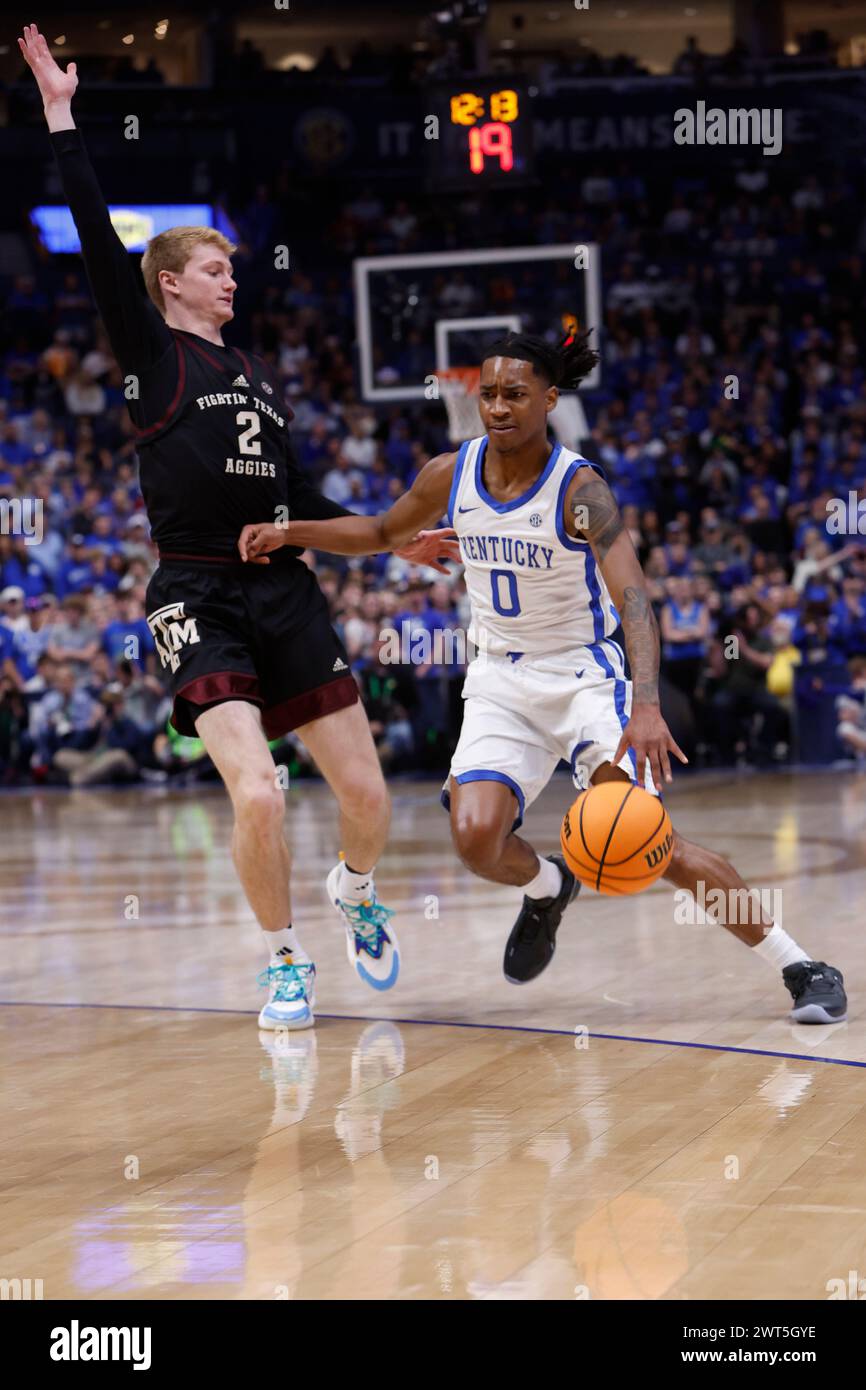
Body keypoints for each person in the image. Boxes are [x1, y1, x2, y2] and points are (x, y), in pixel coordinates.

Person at [20, 23, 457, 1031]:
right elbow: (95, 233)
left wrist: (394, 537)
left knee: (368, 796)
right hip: (196, 592)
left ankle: (353, 888)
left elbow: (302, 506)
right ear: (171, 280)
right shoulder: (148, 354)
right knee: (257, 793)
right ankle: (282, 960)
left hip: (283, 588)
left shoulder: (257, 382)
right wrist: (61, 117)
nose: (231, 277)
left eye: (229, 266)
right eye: (214, 266)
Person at [239, 332, 847, 1025]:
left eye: (514, 394)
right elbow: (380, 530)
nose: (497, 406)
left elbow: (636, 598)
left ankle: (801, 965)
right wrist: (291, 533)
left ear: (549, 400)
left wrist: (644, 704)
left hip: (584, 678)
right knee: (475, 840)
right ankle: (548, 887)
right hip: (498, 681)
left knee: (652, 844)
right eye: (489, 393)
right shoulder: (450, 473)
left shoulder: (579, 489)